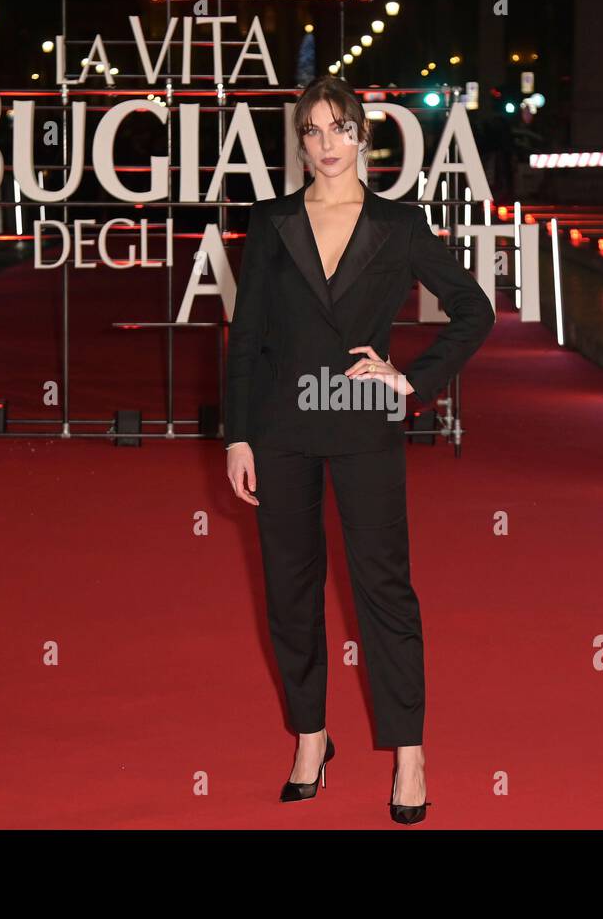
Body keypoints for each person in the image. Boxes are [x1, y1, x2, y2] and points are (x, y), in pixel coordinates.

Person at [224, 76, 495, 825]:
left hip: (360, 419)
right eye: (311, 132)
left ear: (362, 136)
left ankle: (410, 753)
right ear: (300, 143)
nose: (326, 145)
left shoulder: (399, 223)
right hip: (280, 430)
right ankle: (312, 737)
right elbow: (246, 335)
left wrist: (409, 383)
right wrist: (238, 433)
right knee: (289, 590)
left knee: (383, 589)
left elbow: (475, 311)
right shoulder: (272, 219)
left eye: (339, 128)